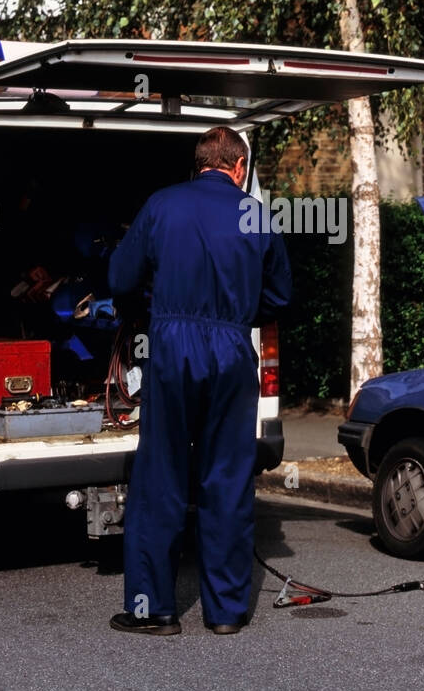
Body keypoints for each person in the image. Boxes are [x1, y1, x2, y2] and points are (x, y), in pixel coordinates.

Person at [107, 126, 291, 636]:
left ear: (201, 164)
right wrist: (234, 315)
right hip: (232, 352)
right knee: (227, 479)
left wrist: (148, 308)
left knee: (160, 476)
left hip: (171, 348)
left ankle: (154, 609)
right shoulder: (257, 216)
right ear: (238, 168)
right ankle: (227, 612)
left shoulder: (162, 205)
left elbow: (120, 277)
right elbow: (280, 298)